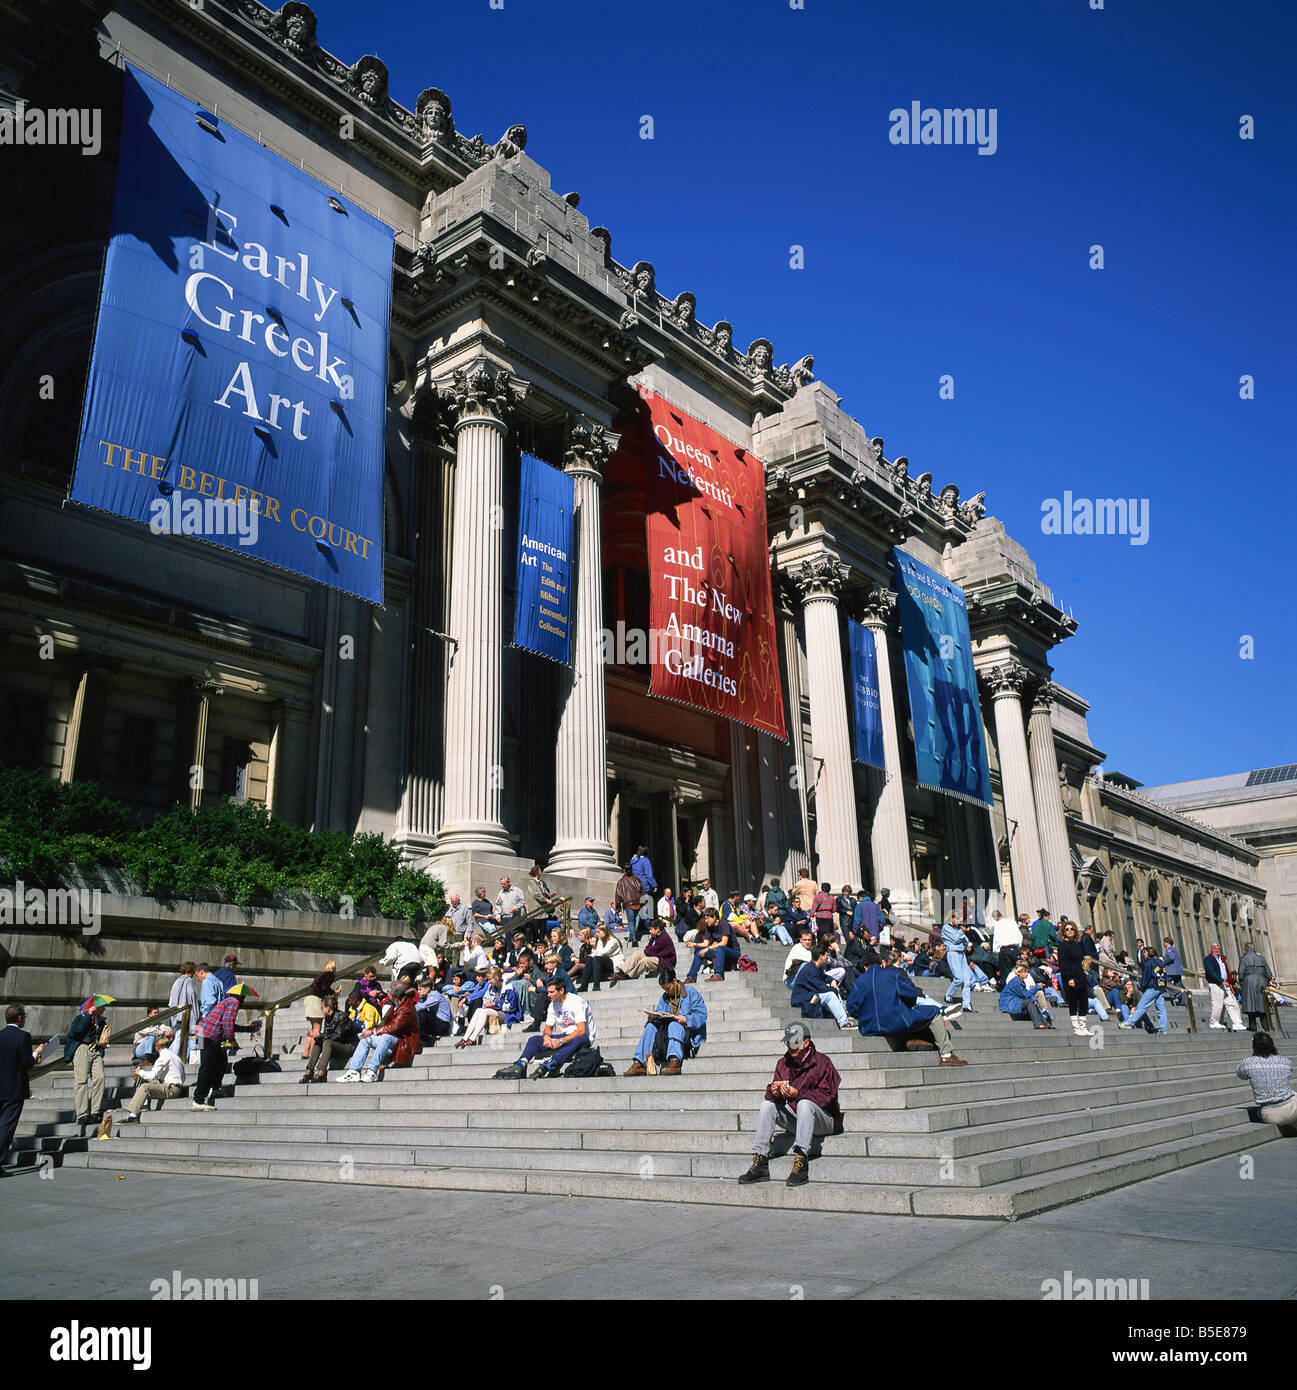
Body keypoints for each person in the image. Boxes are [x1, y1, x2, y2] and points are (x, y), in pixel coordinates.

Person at [736, 1023, 843, 1187]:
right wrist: (774, 1091)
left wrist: (797, 1093)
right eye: (788, 1042)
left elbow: (828, 1097)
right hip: (798, 1118)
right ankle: (761, 1161)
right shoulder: (782, 1063)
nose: (789, 1046)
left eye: (794, 1042)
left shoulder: (823, 1062)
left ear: (806, 1042)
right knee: (767, 1105)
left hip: (825, 1120)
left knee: (805, 1103)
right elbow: (774, 1098)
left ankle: (801, 1160)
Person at [849, 950, 968, 1060]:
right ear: (881, 964)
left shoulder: (858, 982)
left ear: (865, 967)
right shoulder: (891, 974)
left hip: (869, 1028)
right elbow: (911, 993)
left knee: (905, 1017)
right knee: (933, 1011)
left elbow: (852, 1008)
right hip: (896, 1022)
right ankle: (946, 1054)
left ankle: (910, 1040)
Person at [494, 977, 595, 1079]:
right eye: (548, 992)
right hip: (565, 1036)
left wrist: (560, 1041)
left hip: (583, 1037)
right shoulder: (553, 1005)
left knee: (578, 1040)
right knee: (534, 1040)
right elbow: (548, 1028)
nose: (548, 995)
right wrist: (546, 1037)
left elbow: (581, 1031)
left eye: (552, 992)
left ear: (561, 991)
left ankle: (550, 1064)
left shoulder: (576, 1002)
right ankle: (520, 1065)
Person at [191, 983, 260, 1110]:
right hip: (208, 1036)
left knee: (221, 1061)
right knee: (207, 1065)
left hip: (203, 1034)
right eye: (243, 996)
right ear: (241, 996)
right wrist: (232, 1041)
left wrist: (248, 1029)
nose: (244, 999)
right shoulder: (234, 1002)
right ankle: (198, 1099)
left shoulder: (226, 1001)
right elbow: (227, 1023)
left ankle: (216, 1088)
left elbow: (227, 1024)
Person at [625, 972, 707, 1076]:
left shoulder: (690, 993)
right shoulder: (664, 997)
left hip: (686, 1034)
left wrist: (686, 1020)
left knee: (674, 1024)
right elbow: (660, 1012)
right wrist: (653, 1017)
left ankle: (675, 1061)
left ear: (674, 981)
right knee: (650, 1027)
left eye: (668, 988)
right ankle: (639, 1063)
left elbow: (701, 1015)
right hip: (667, 1035)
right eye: (664, 990)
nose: (667, 992)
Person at [339, 981, 421, 1081]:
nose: (388, 994)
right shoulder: (394, 1006)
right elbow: (385, 1024)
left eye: (389, 992)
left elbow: (394, 1027)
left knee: (386, 1037)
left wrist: (374, 1031)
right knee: (366, 1039)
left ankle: (372, 1071)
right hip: (395, 1041)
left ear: (394, 995)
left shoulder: (406, 1008)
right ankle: (354, 1071)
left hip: (406, 1043)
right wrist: (373, 1032)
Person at [0, 1004, 42, 1170]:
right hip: (14, 1089)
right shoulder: (23, 1036)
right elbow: (26, 1062)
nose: (24, 1019)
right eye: (24, 1016)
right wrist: (36, 1053)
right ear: (19, 1018)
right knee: (6, 1127)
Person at [119, 1027, 186, 1121]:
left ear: (156, 1048)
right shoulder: (175, 1057)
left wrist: (139, 1072)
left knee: (144, 1087)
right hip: (175, 1086)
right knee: (143, 1079)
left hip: (171, 1089)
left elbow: (152, 1076)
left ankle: (133, 1115)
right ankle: (143, 1104)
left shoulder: (163, 1057)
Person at [64, 997, 111, 1127]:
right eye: (103, 1006)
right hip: (82, 1048)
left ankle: (95, 1111)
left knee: (100, 1078)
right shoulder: (80, 1018)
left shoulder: (100, 1021)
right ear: (95, 1007)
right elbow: (77, 1032)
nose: (104, 1009)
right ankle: (82, 1114)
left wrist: (104, 1042)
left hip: (96, 1049)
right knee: (81, 1080)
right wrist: (88, 1016)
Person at [1236, 1032, 1297, 1129]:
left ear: (1254, 1046)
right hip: (1290, 1109)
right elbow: (1289, 1072)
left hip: (1268, 1115)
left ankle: (1261, 1113)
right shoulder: (1286, 1062)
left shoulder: (1247, 1063)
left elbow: (1241, 1075)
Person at [790, 947, 853, 1028]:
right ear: (821, 957)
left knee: (831, 989)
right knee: (830, 994)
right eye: (826, 955)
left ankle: (843, 1011)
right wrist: (835, 989)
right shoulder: (810, 970)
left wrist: (832, 981)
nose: (828, 958)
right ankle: (843, 1022)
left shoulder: (814, 967)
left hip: (811, 995)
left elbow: (825, 977)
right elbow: (821, 988)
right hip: (803, 999)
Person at [458, 968, 522, 1047]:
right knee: (479, 1010)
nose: (489, 981)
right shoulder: (491, 987)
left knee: (484, 1012)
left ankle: (473, 1038)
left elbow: (511, 1007)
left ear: (497, 978)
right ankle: (465, 1037)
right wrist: (486, 1002)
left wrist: (495, 1004)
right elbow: (485, 997)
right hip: (496, 1011)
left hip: (508, 1014)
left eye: (490, 979)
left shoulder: (508, 988)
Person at [303, 994, 358, 1080]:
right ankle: (309, 1070)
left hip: (348, 1047)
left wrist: (320, 1035)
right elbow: (326, 1036)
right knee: (318, 1042)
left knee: (327, 1042)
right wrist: (315, 1035)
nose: (321, 1010)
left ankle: (321, 1072)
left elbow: (337, 1037)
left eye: (322, 1007)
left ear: (328, 1007)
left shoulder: (342, 1017)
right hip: (335, 1046)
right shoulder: (328, 1018)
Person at [1117, 949, 1169, 1034]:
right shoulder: (1160, 962)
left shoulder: (1149, 962)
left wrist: (1143, 987)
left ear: (1148, 953)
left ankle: (1129, 1023)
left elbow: (1146, 976)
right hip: (1161, 986)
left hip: (1153, 987)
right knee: (1161, 1008)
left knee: (1141, 1006)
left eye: (1145, 952)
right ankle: (1163, 1029)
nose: (1144, 954)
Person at [1057, 923, 1095, 1037]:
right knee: (1073, 1002)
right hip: (1070, 976)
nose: (1069, 931)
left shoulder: (1078, 944)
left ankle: (1083, 1027)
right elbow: (1063, 964)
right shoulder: (1063, 945)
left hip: (1080, 975)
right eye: (1067, 929)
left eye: (1072, 929)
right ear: (1063, 931)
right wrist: (1069, 978)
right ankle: (1076, 1027)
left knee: (1084, 1002)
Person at [1204, 943, 1246, 1031]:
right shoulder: (1209, 959)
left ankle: (1237, 1022)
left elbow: (1226, 970)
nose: (1217, 950)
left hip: (1225, 984)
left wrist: (1229, 981)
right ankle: (1214, 1022)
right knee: (1218, 1004)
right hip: (1216, 984)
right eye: (1215, 948)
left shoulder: (1222, 959)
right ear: (1212, 949)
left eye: (1218, 948)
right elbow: (1211, 972)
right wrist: (1221, 980)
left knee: (1232, 1002)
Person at [998, 963, 1055, 1028]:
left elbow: (1025, 992)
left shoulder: (1020, 981)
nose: (1027, 974)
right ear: (1020, 973)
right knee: (1029, 1002)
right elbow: (1024, 994)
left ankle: (1045, 1024)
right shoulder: (1015, 981)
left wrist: (1034, 999)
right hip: (1009, 1002)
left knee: (1033, 1002)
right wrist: (1036, 987)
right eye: (1025, 972)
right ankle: (1038, 1024)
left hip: (1015, 1001)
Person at [1237, 942, 1274, 1033]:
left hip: (1249, 982)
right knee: (1263, 1004)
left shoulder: (1244, 958)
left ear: (1245, 949)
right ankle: (1267, 1027)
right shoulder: (1261, 958)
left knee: (1250, 1004)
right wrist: (1266, 981)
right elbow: (1269, 973)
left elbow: (1241, 973)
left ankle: (1253, 1026)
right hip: (1262, 981)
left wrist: (1242, 982)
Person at [941, 914, 974, 1013]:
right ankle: (948, 995)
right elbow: (956, 939)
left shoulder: (957, 929)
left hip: (961, 954)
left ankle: (966, 1005)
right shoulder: (946, 927)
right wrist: (962, 933)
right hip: (953, 952)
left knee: (967, 981)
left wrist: (963, 938)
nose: (959, 921)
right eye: (957, 918)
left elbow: (966, 942)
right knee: (959, 978)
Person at [580, 922, 624, 992]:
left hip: (615, 964)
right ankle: (583, 986)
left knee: (596, 959)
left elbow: (603, 953)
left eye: (598, 932)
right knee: (590, 959)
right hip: (604, 963)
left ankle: (596, 986)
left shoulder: (613, 941)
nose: (596, 934)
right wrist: (594, 947)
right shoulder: (602, 941)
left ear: (604, 932)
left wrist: (599, 941)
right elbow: (595, 954)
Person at [412, 979, 453, 1046]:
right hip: (438, 1023)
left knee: (420, 1014)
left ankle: (423, 1040)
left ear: (427, 989)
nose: (418, 992)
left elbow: (421, 1007)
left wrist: (407, 1009)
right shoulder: (427, 997)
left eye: (420, 989)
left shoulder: (434, 995)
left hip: (442, 1025)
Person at [167, 962, 199, 1036]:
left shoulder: (177, 981)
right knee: (181, 1040)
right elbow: (192, 999)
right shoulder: (188, 981)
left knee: (178, 1037)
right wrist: (195, 1017)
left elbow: (172, 1000)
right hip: (186, 1017)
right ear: (190, 971)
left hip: (176, 1015)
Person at [990, 911, 1020, 986]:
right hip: (1015, 948)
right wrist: (1018, 946)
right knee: (1016, 969)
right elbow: (1019, 936)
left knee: (1006, 971)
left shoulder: (997, 924)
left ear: (995, 918)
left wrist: (996, 951)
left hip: (1004, 949)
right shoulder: (1012, 922)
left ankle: (1008, 988)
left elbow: (996, 938)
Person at [615, 865, 644, 934]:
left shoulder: (621, 882)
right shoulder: (637, 879)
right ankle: (633, 936)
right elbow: (642, 892)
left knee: (631, 921)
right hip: (637, 904)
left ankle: (633, 937)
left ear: (624, 870)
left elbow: (618, 895)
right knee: (634, 920)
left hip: (628, 904)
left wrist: (618, 907)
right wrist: (643, 903)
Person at [1161, 937, 1185, 1004]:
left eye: (1164, 942)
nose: (1163, 944)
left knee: (1165, 981)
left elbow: (1171, 957)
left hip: (1172, 971)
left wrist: (1164, 961)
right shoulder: (1174, 949)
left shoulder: (1169, 949)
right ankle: (1183, 1000)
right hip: (1177, 971)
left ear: (1166, 942)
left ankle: (1175, 993)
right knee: (1179, 985)